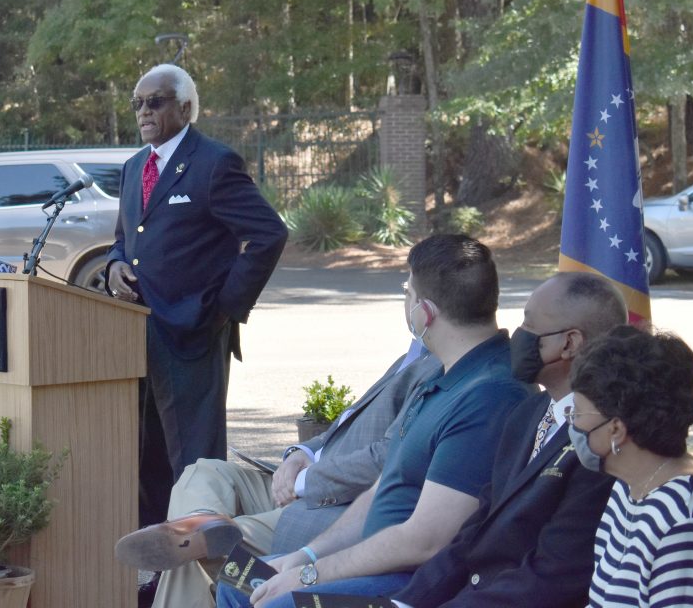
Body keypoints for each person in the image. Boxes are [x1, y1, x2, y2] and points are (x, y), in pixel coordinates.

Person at [217, 234, 532, 608]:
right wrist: (305, 559)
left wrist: (307, 577)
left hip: (412, 585)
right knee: (237, 582)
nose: (406, 302)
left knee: (274, 602)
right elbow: (381, 490)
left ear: (424, 312)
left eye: (407, 291)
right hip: (376, 566)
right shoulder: (438, 375)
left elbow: (425, 540)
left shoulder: (489, 395)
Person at [115, 335, 441, 608]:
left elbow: (386, 459)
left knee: (190, 563)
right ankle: (203, 523)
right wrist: (301, 452)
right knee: (203, 471)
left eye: (409, 288)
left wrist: (303, 480)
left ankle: (202, 538)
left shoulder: (438, 369)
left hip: (331, 506)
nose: (405, 294)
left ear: (426, 306)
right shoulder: (410, 355)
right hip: (304, 479)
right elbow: (342, 427)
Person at [107, 64, 288, 529]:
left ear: (185, 107)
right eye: (138, 103)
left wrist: (225, 307)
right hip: (138, 337)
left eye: (156, 101)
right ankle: (153, 570)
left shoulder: (213, 163)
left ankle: (198, 573)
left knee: (194, 465)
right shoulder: (133, 168)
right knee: (144, 458)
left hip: (192, 335)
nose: (144, 112)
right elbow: (124, 239)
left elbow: (267, 235)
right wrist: (113, 266)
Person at [392, 271, 626, 608]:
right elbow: (475, 532)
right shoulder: (527, 415)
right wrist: (407, 602)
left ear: (570, 343)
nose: (518, 336)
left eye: (530, 325)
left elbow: (554, 576)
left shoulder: (602, 443)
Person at [569, 325, 693, 608]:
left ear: (616, 429)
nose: (572, 424)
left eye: (576, 413)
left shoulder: (684, 523)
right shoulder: (628, 488)